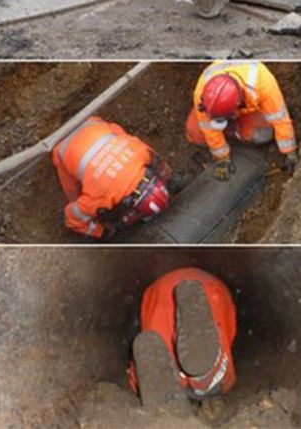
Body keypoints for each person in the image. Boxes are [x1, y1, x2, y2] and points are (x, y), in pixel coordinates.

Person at [128, 268, 237, 407]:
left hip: (159, 291)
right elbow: (229, 329)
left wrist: (134, 380)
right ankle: (203, 376)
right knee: (211, 382)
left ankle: (168, 400)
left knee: (159, 348)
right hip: (212, 289)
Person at [52, 116, 172, 239]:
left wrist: (166, 177)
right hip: (61, 147)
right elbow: (72, 217)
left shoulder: (141, 152)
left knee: (118, 134)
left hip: (90, 122)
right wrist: (102, 232)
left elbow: (158, 162)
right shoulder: (101, 198)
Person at [186, 60, 298, 181]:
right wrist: (222, 158)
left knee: (262, 133)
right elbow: (208, 129)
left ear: (237, 105)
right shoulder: (203, 94)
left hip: (249, 110)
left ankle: (234, 129)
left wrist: (290, 152)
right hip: (221, 109)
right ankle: (228, 131)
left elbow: (280, 119)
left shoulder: (263, 83)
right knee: (195, 134)